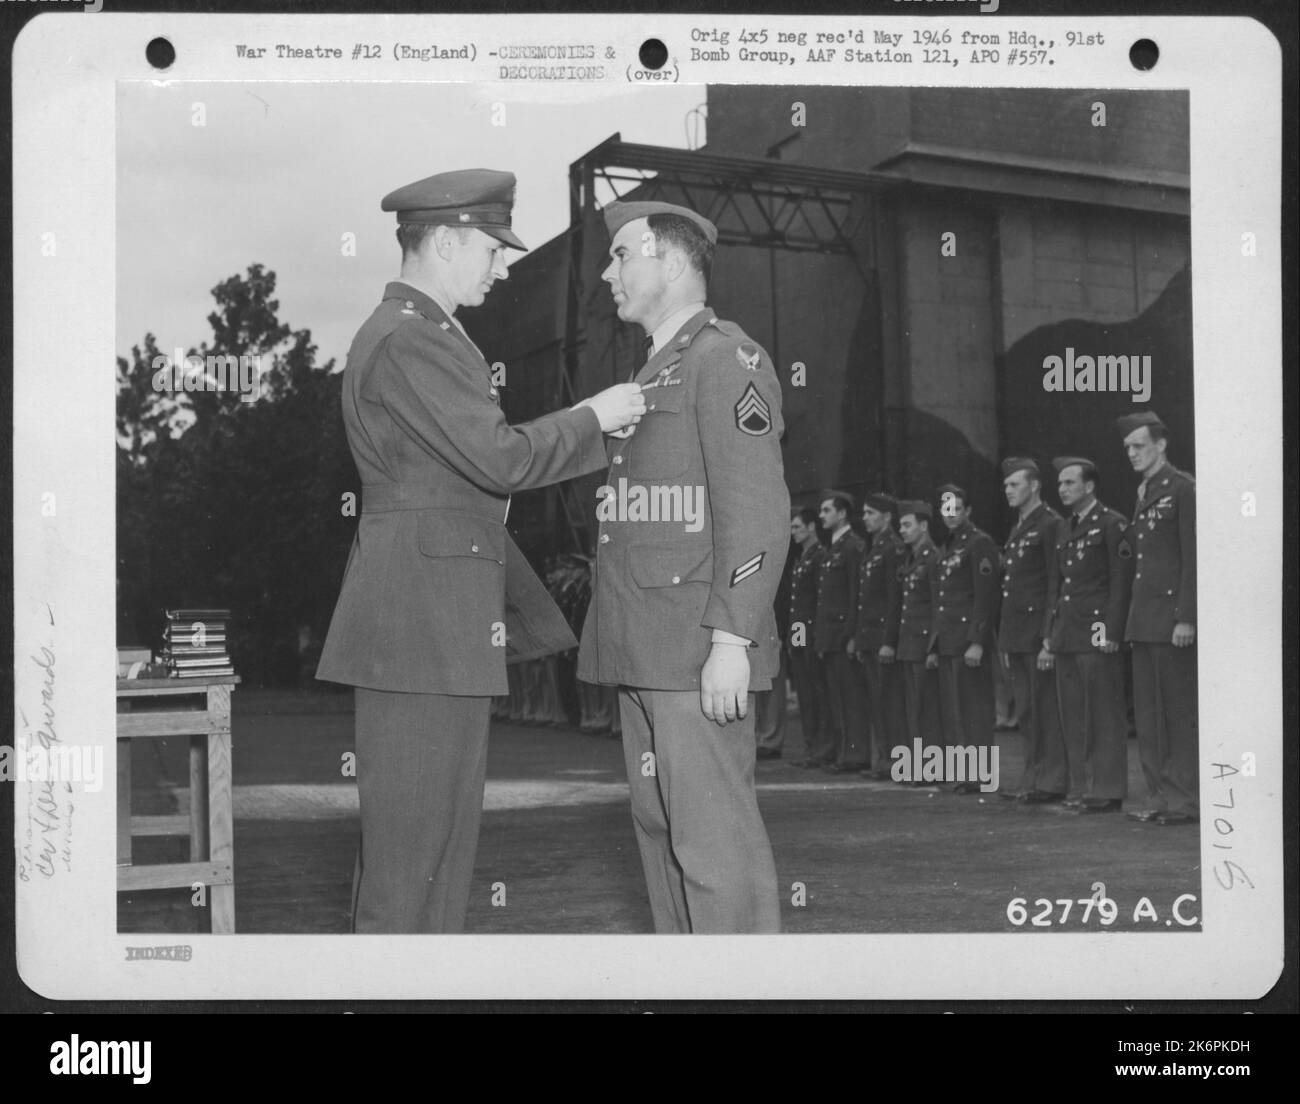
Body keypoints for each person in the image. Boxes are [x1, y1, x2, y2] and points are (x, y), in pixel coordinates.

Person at [317, 169, 645, 933]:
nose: (503, 266)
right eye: (492, 248)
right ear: (441, 241)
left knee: (432, 860)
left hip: (432, 626)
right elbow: (498, 459)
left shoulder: (426, 334)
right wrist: (593, 416)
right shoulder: (408, 339)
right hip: (419, 628)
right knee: (411, 867)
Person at [576, 199, 787, 934]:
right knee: (663, 835)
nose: (609, 272)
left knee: (713, 847)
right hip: (647, 648)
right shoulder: (659, 366)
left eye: (621, 254)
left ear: (669, 260)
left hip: (697, 648)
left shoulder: (726, 357)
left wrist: (734, 639)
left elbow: (755, 510)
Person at [1118, 412, 1198, 826]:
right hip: (1145, 621)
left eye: (1139, 445)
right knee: (1148, 717)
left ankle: (1184, 799)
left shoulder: (1182, 489)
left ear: (1161, 445)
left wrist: (1187, 617)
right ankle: (1158, 797)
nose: (1132, 453)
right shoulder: (1145, 490)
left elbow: (1191, 557)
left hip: (1171, 622)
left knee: (1176, 714)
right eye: (1128, 447)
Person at [1044, 457, 1133, 813]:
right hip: (1067, 631)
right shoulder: (1065, 529)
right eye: (1061, 483)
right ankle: (1082, 786)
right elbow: (1058, 585)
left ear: (1090, 486)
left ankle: (1106, 788)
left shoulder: (1112, 524)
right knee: (1075, 715)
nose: (1063, 489)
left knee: (1103, 711)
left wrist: (1111, 631)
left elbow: (1120, 581)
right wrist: (1050, 634)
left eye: (1070, 483)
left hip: (1096, 629)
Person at [998, 457, 1067, 804]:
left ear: (1034, 485)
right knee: (1026, 710)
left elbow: (1055, 583)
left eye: (1015, 484)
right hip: (1017, 634)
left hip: (1036, 633)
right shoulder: (1021, 526)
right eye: (1006, 485)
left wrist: (1048, 639)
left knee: (1044, 709)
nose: (1008, 490)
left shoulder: (1050, 524)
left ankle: (1051, 780)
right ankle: (1033, 775)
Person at [931, 484, 1001, 793]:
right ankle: (966, 773)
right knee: (957, 710)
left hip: (967, 641)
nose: (950, 515)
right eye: (946, 509)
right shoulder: (948, 546)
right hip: (949, 640)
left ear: (968, 511)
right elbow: (942, 600)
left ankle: (980, 775)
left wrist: (978, 641)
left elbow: (985, 596)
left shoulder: (979, 543)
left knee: (975, 709)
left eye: (956, 509)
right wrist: (935, 645)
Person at [848, 493, 906, 779]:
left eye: (871, 513)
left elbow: (894, 599)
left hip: (882, 638)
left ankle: (893, 761)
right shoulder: (876, 549)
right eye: (865, 513)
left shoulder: (892, 548)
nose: (866, 518)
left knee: (888, 703)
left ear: (887, 517)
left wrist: (888, 641)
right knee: (878, 702)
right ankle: (884, 759)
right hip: (870, 638)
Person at [896, 501, 942, 781]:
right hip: (910, 644)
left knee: (927, 710)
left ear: (923, 526)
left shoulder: (932, 558)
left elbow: (938, 605)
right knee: (914, 709)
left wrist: (933, 647)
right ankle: (920, 767)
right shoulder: (913, 558)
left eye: (907, 525)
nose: (902, 530)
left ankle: (931, 768)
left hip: (923, 644)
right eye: (900, 525)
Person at [787, 508, 832, 768]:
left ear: (811, 527)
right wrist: (795, 642)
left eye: (798, 527)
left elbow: (816, 601)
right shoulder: (803, 557)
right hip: (800, 632)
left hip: (810, 632)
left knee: (815, 690)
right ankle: (811, 746)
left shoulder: (819, 556)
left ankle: (819, 747)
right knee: (805, 690)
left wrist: (807, 639)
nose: (794, 533)